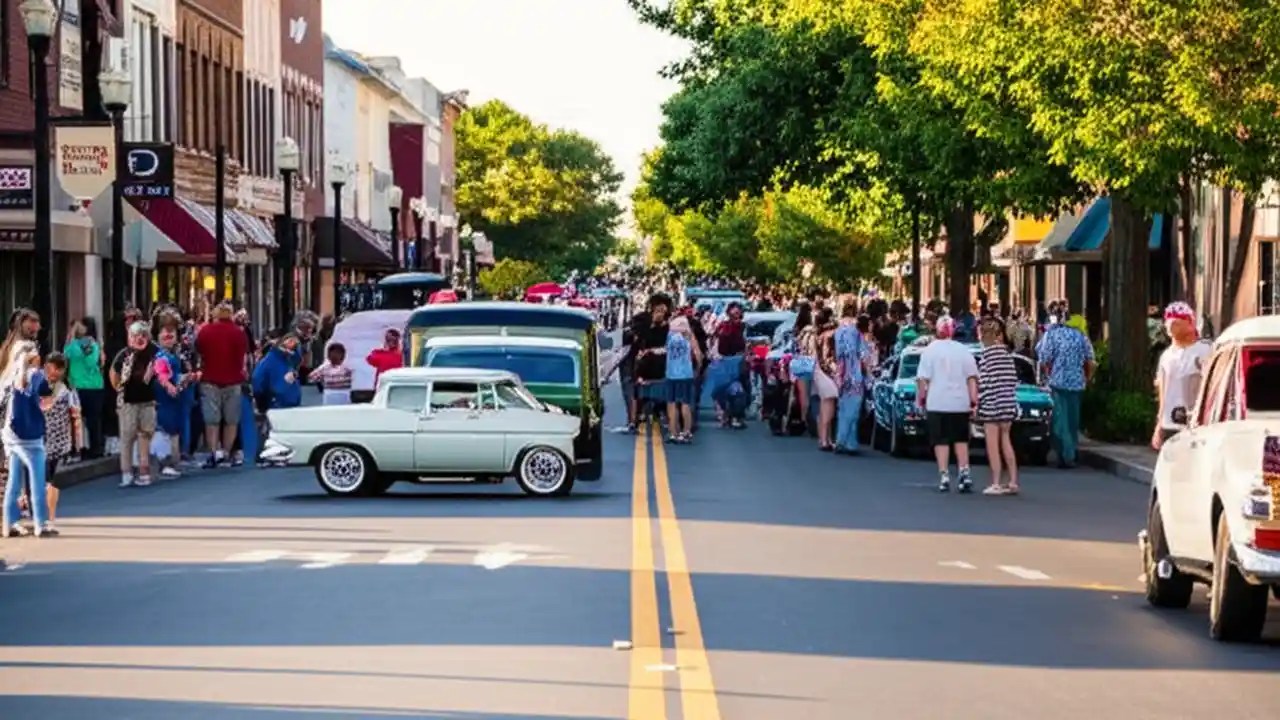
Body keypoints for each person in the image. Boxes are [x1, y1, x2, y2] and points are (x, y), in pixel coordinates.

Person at [916, 317, 980, 493]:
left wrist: (921, 399)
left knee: (940, 440)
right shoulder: (963, 351)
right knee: (960, 439)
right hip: (959, 402)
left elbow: (922, 380)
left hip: (937, 401)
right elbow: (972, 378)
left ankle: (944, 475)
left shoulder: (929, 351)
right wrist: (974, 401)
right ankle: (964, 471)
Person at [1, 341, 51, 536]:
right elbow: (46, 400)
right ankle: (40, 523)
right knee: (37, 479)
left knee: (14, 480)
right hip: (31, 435)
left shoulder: (8, 376)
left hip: (11, 435)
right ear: (34, 356)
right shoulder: (37, 375)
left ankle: (9, 522)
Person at [1037, 306, 1095, 468]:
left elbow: (1044, 358)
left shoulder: (1052, 335)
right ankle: (1071, 450)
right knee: (1072, 419)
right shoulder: (1081, 336)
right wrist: (1087, 378)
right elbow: (1090, 360)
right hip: (1076, 383)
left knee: (1059, 420)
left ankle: (1065, 452)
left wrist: (1048, 374)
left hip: (1058, 382)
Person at [195, 303, 249, 468]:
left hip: (210, 379)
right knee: (231, 420)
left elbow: (199, 350)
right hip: (233, 380)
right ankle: (226, 453)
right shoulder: (238, 333)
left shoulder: (205, 331)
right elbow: (243, 356)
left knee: (212, 419)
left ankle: (213, 452)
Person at [1152, 302, 1211, 450]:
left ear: (1190, 324)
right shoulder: (1166, 356)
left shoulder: (1205, 350)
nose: (1170, 325)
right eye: (1168, 322)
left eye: (1177, 322)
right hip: (1169, 424)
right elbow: (1162, 392)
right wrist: (1158, 425)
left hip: (1197, 423)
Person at [110, 322, 159, 487]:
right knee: (127, 436)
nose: (139, 338)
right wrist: (119, 389)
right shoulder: (124, 354)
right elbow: (114, 373)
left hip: (148, 400)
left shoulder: (154, 351)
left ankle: (144, 470)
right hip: (128, 401)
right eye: (135, 335)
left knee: (145, 434)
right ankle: (127, 472)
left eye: (143, 335)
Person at [976, 318, 1020, 495]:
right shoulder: (1008, 356)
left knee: (992, 446)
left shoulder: (986, 357)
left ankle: (995, 482)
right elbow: (1012, 380)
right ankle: (1013, 481)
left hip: (991, 405)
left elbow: (984, 383)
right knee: (1006, 441)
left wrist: (978, 404)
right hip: (1007, 403)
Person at [36, 352, 77, 532]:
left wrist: (77, 443)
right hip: (41, 439)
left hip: (61, 440)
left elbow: (76, 414)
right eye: (50, 367)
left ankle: (50, 517)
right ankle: (42, 517)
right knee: (43, 480)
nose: (52, 371)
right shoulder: (38, 384)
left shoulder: (67, 388)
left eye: (57, 368)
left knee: (54, 481)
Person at [64, 318, 105, 458]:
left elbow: (66, 355)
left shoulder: (73, 345)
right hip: (95, 385)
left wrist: (71, 338)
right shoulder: (94, 344)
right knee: (94, 420)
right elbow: (92, 362)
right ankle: (96, 448)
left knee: (78, 420)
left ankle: (80, 448)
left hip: (79, 387)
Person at [833, 306, 872, 454]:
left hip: (843, 375)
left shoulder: (838, 333)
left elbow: (839, 356)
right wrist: (868, 374)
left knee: (844, 408)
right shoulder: (856, 334)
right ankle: (843, 440)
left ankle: (850, 442)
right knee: (853, 410)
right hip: (855, 375)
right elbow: (863, 356)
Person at [152, 326, 190, 479]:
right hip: (166, 398)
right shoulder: (161, 356)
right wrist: (173, 386)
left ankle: (171, 462)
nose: (168, 336)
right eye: (164, 333)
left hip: (173, 398)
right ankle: (167, 463)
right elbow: (163, 377)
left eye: (171, 333)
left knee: (172, 430)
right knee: (167, 431)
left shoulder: (172, 355)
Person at [664, 315, 703, 443]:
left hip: (671, 374)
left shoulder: (669, 335)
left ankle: (673, 433)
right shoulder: (689, 335)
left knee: (672, 404)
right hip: (686, 374)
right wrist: (698, 368)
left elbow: (665, 350)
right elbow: (698, 353)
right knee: (685, 404)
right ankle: (686, 432)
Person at [812, 307, 840, 450]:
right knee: (828, 407)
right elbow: (827, 358)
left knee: (825, 406)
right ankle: (824, 439)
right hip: (826, 372)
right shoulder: (829, 336)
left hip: (820, 370)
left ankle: (825, 438)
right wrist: (835, 373)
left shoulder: (820, 335)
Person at [252, 332, 304, 410]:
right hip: (277, 406)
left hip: (291, 406)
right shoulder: (269, 361)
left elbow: (298, 358)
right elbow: (257, 381)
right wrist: (263, 403)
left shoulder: (288, 361)